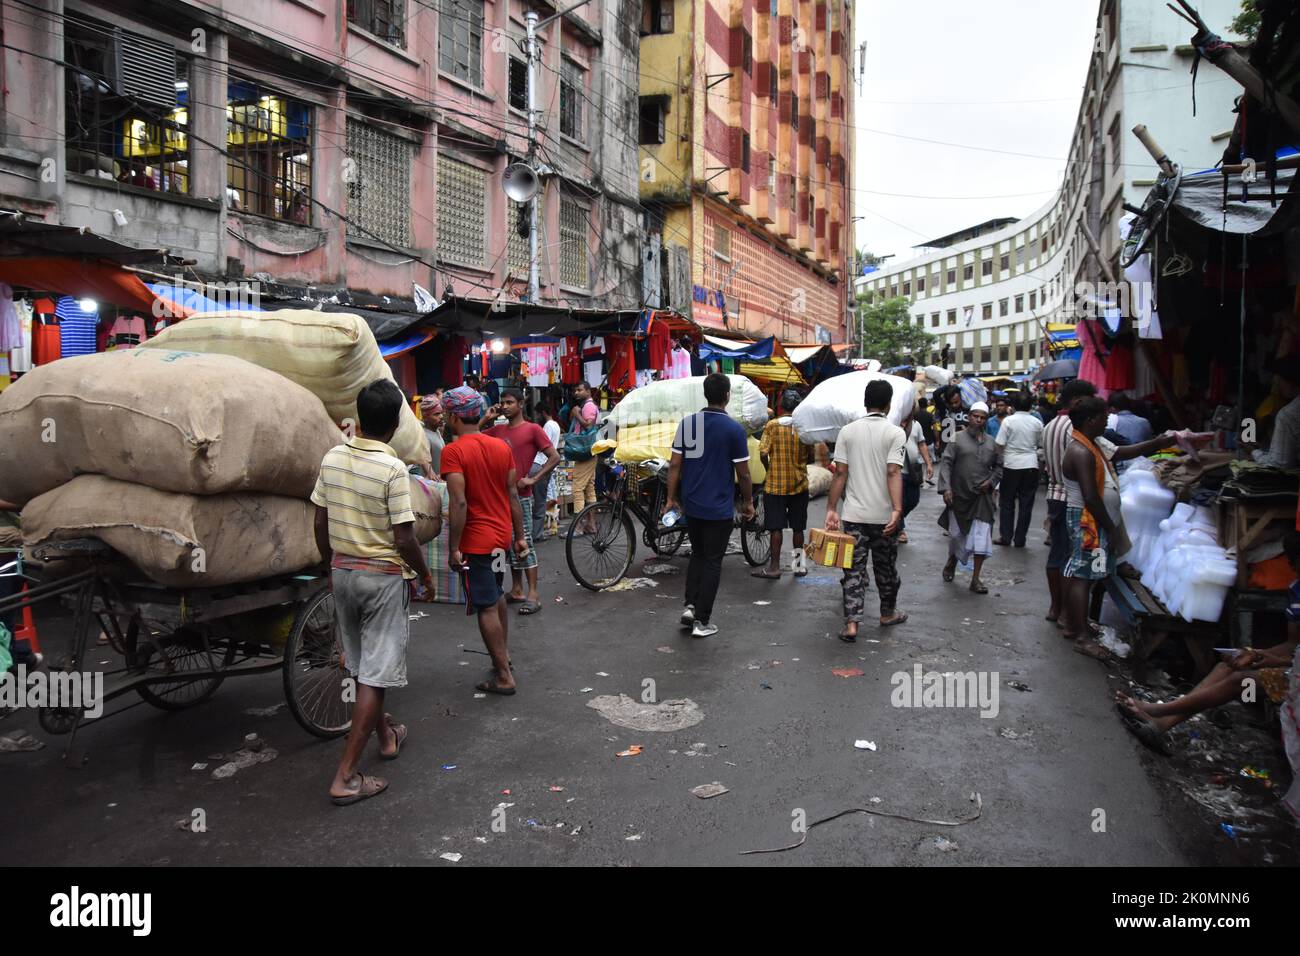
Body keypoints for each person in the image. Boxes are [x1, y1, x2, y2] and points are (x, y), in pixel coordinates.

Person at [312, 379, 435, 806]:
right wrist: (425, 575)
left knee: (361, 666)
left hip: (344, 572)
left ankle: (386, 737)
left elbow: (319, 523)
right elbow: (404, 537)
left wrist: (332, 563)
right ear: (398, 420)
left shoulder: (332, 458)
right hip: (381, 577)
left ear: (359, 418)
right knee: (376, 676)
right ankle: (345, 776)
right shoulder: (393, 469)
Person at [1114, 530, 1300, 763]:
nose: (1294, 570)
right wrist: (1256, 654)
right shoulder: (1296, 590)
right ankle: (1162, 724)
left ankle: (1159, 711)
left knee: (1242, 683)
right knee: (1226, 668)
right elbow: (1293, 643)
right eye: (1293, 563)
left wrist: (1271, 660)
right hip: (1291, 666)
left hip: (1293, 676)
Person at [1045, 382, 1175, 638]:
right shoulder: (1081, 450)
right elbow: (1091, 497)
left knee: (1088, 572)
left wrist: (1159, 443)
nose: (1107, 423)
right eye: (1104, 418)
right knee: (1082, 575)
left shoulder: (1090, 443)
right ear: (1091, 420)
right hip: (1087, 519)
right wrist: (1111, 528)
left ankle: (1076, 623)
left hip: (1089, 518)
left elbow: (1119, 453)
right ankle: (1078, 630)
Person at [441, 385, 529, 695]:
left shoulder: (453, 451)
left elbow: (459, 503)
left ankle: (504, 676)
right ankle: (503, 658)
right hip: (500, 537)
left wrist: (453, 548)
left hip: (477, 542)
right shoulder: (500, 446)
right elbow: (513, 494)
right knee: (498, 595)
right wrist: (519, 537)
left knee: (486, 606)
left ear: (453, 417)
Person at [663, 372, 754, 638]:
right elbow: (745, 474)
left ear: (706, 394)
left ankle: (691, 606)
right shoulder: (734, 430)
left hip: (692, 505)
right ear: (727, 396)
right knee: (713, 561)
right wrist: (748, 502)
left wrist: (670, 498)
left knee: (698, 555)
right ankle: (702, 621)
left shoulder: (688, 425)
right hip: (718, 508)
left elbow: (675, 465)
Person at [825, 379, 908, 640]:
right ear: (889, 404)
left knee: (853, 571)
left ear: (865, 402)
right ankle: (887, 613)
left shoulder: (847, 431)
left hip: (854, 516)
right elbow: (893, 471)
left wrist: (831, 508)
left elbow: (840, 473)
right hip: (884, 517)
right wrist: (897, 509)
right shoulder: (896, 433)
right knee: (886, 569)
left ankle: (852, 625)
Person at [480, 387, 559, 614]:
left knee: (524, 545)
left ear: (521, 404)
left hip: (521, 497)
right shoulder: (497, 430)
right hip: (499, 497)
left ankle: (533, 594)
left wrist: (533, 479)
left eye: (509, 402)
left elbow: (554, 456)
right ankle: (517, 589)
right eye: (502, 403)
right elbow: (469, 437)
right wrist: (486, 418)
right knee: (506, 543)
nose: (504, 406)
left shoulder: (533, 429)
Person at [938, 401, 1000, 594]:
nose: (978, 420)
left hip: (982, 498)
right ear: (969, 416)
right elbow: (946, 464)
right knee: (958, 535)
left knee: (981, 539)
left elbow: (1000, 466)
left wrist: (990, 482)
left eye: (982, 417)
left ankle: (975, 579)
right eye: (975, 416)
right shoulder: (956, 438)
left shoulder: (992, 443)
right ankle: (952, 560)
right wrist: (946, 488)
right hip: (959, 496)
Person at [753, 388, 815, 579]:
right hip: (799, 485)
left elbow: (763, 453)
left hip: (776, 486)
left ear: (780, 406)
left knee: (775, 528)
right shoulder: (803, 427)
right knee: (798, 528)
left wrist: (770, 468)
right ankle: (798, 566)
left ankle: (774, 568)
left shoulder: (772, 426)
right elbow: (811, 456)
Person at [993, 391, 1044, 548]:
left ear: (1013, 406)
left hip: (1011, 464)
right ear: (1030, 406)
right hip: (1030, 465)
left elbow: (999, 444)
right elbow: (1040, 445)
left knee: (1007, 502)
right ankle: (1020, 538)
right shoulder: (1036, 423)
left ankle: (1006, 536)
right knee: (1026, 503)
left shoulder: (1008, 422)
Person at [567, 382, 601, 533]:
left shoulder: (588, 406)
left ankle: (578, 526)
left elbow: (587, 425)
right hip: (589, 451)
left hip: (585, 451)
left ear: (588, 391)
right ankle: (591, 525)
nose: (576, 393)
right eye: (575, 390)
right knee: (589, 488)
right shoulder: (588, 405)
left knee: (577, 488)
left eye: (580, 390)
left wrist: (576, 414)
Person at [897, 410, 933, 544]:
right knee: (898, 501)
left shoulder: (916, 425)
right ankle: (900, 529)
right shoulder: (893, 423)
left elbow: (922, 444)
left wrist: (928, 463)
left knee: (913, 500)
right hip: (896, 471)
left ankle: (896, 520)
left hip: (913, 471)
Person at [533, 404, 562, 540]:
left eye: (538, 414)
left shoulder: (548, 426)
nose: (537, 417)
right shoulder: (555, 424)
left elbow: (543, 444)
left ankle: (549, 525)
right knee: (551, 495)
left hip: (544, 462)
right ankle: (552, 525)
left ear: (543, 413)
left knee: (547, 497)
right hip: (550, 463)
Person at [420, 394, 444, 479]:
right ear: (425, 417)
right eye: (436, 414)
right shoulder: (424, 436)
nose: (441, 416)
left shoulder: (436, 430)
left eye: (441, 413)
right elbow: (424, 460)